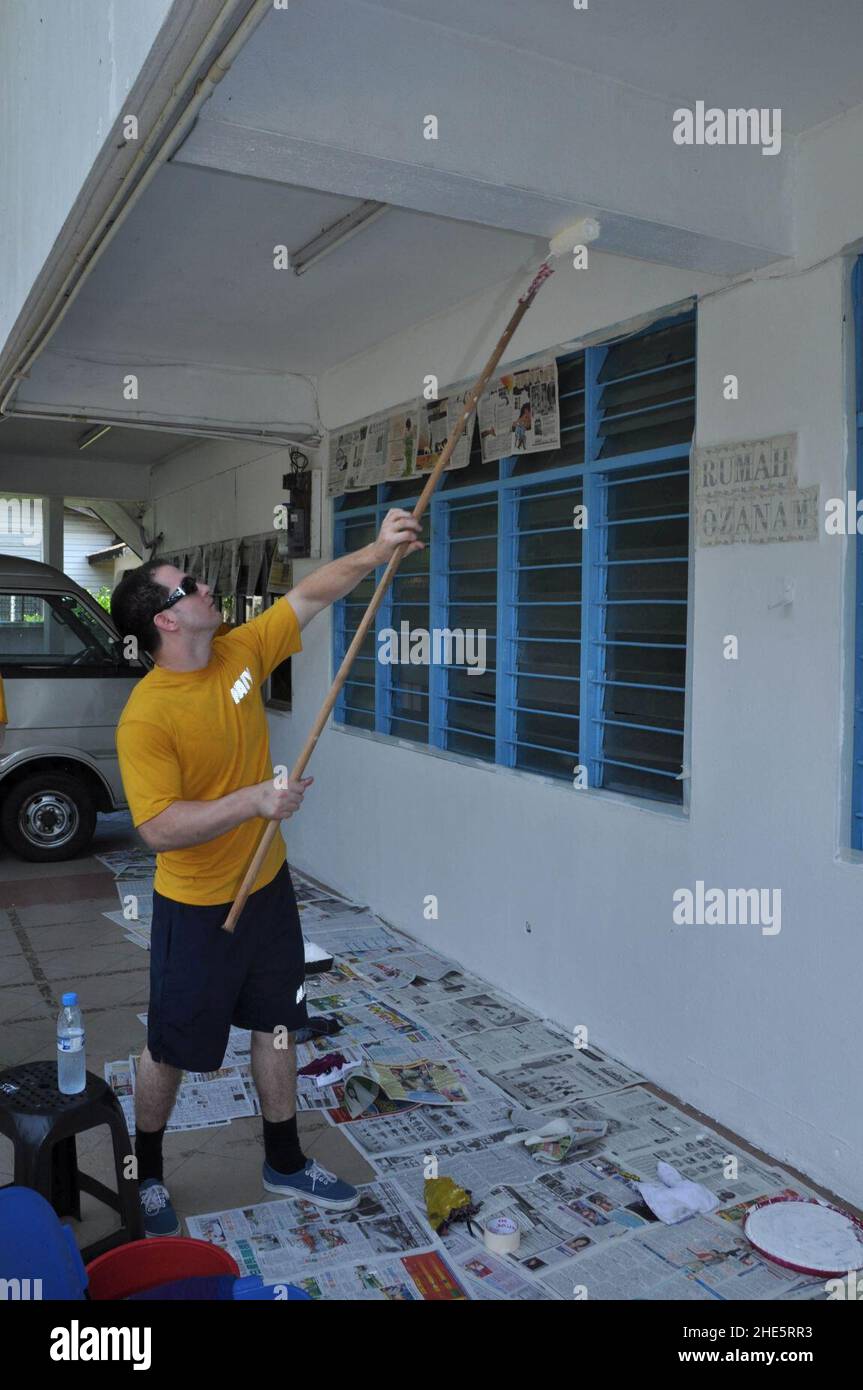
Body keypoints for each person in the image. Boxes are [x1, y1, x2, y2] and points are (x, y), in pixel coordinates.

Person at [111, 509, 423, 1236]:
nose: (205, 587)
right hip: (194, 907)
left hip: (266, 888)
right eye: (187, 585)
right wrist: (252, 799)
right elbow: (157, 827)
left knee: (278, 1025)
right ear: (164, 621)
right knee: (173, 1045)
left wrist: (376, 552)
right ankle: (147, 1171)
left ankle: (283, 1160)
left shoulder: (239, 654)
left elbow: (309, 596)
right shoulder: (147, 717)